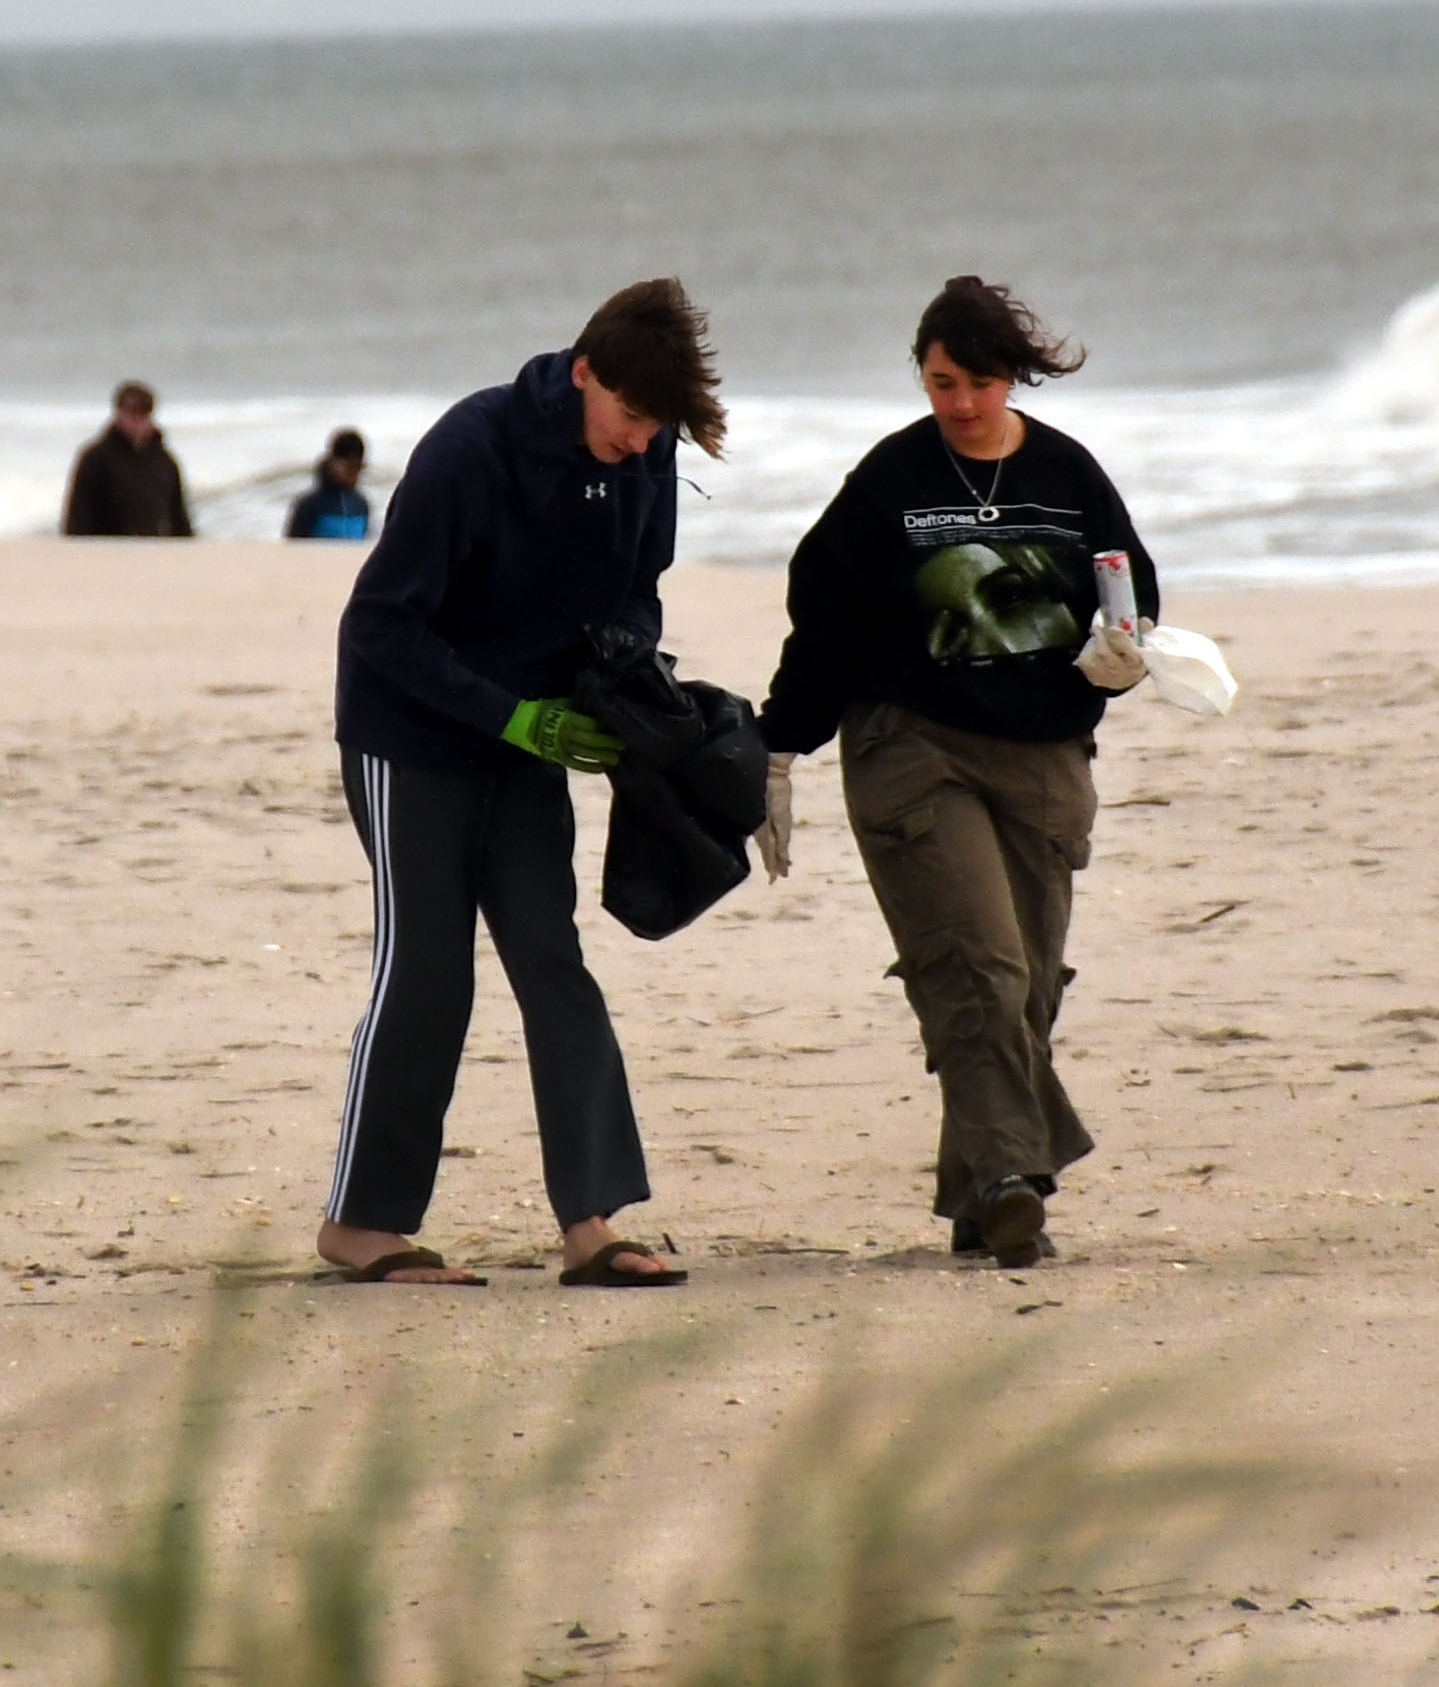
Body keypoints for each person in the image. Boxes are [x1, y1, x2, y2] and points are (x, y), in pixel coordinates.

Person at [322, 279, 726, 1287]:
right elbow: (378, 624)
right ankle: (362, 1225)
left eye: (657, 428)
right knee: (428, 968)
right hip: (407, 735)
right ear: (585, 372)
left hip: (533, 742)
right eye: (631, 417)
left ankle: (590, 1224)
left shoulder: (648, 451)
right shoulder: (474, 448)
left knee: (552, 958)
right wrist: (506, 713)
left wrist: (622, 664)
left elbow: (640, 585)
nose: (641, 444)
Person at [753, 275, 1157, 1269]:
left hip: (1044, 753)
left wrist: (1126, 648)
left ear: (1012, 379)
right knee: (978, 967)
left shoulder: (1067, 472)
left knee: (1028, 990)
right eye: (940, 382)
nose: (960, 403)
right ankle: (1018, 1180)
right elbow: (825, 618)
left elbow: (1129, 583)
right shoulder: (890, 481)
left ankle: (980, 1190)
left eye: (978, 382)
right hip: (913, 743)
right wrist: (779, 746)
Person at [62, 381, 193, 538]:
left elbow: (179, 519)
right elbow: (77, 518)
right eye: (130, 412)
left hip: (154, 552)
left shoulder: (165, 462)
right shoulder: (95, 458)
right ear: (118, 413)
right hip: (106, 553)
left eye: (143, 413)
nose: (136, 420)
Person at [286, 429, 374, 541]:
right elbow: (291, 547)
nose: (355, 475)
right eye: (349, 468)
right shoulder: (309, 504)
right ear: (333, 463)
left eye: (359, 468)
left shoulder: (361, 504)